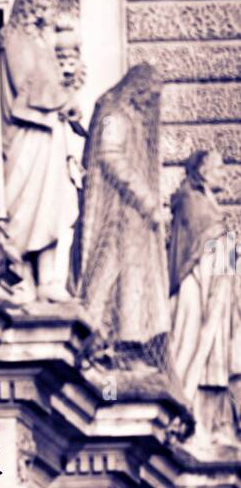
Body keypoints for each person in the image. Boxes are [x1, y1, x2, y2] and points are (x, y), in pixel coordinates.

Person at [75, 63, 169, 365]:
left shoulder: (129, 116)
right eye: (148, 95)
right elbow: (110, 156)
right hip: (116, 211)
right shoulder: (114, 114)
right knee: (108, 269)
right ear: (137, 88)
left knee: (127, 272)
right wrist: (145, 199)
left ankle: (122, 337)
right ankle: (96, 331)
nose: (149, 103)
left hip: (132, 214)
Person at [1, 0, 82, 300]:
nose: (51, 16)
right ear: (33, 7)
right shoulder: (15, 38)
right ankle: (15, 275)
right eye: (47, 8)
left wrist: (66, 97)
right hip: (28, 136)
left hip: (50, 136)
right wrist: (62, 99)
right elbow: (25, 84)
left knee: (54, 206)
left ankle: (47, 279)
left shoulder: (42, 45)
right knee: (23, 207)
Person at [169, 149, 240, 441]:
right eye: (219, 166)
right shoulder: (191, 201)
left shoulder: (209, 206)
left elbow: (222, 252)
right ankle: (181, 409)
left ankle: (212, 421)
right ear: (202, 171)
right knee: (192, 346)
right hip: (196, 286)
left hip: (216, 291)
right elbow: (202, 245)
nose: (224, 172)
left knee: (216, 352)